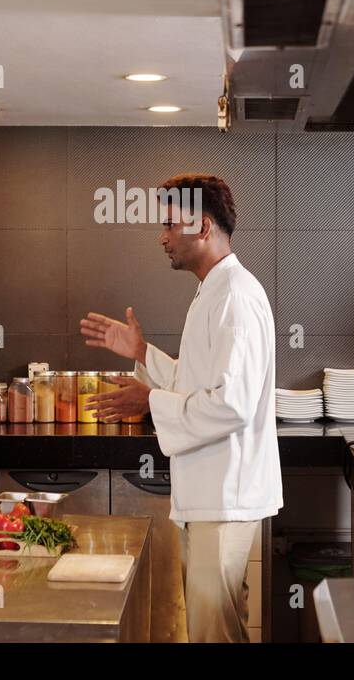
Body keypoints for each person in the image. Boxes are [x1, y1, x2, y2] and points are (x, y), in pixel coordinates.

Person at [82, 173, 282, 642]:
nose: (162, 236)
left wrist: (148, 399)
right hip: (210, 495)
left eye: (171, 225)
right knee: (212, 629)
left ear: (204, 227)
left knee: (216, 633)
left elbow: (231, 404)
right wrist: (141, 353)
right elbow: (197, 386)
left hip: (225, 496)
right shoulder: (212, 290)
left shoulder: (235, 295)